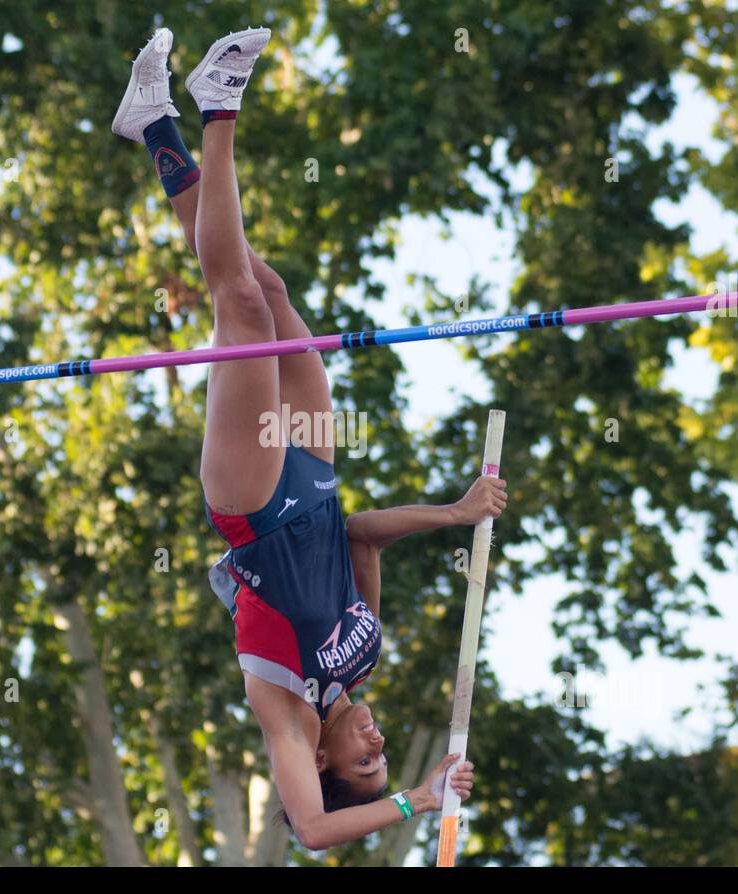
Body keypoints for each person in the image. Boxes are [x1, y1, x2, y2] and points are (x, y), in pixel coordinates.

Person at [112, 26, 507, 851]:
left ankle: (220, 109)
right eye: (382, 759)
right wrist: (456, 512)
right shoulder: (361, 659)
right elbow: (362, 537)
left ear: (323, 757)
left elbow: (316, 832)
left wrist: (414, 802)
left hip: (254, 503)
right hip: (317, 477)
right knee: (266, 286)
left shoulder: (285, 711)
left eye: (364, 763)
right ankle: (153, 124)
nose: (378, 747)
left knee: (243, 310)